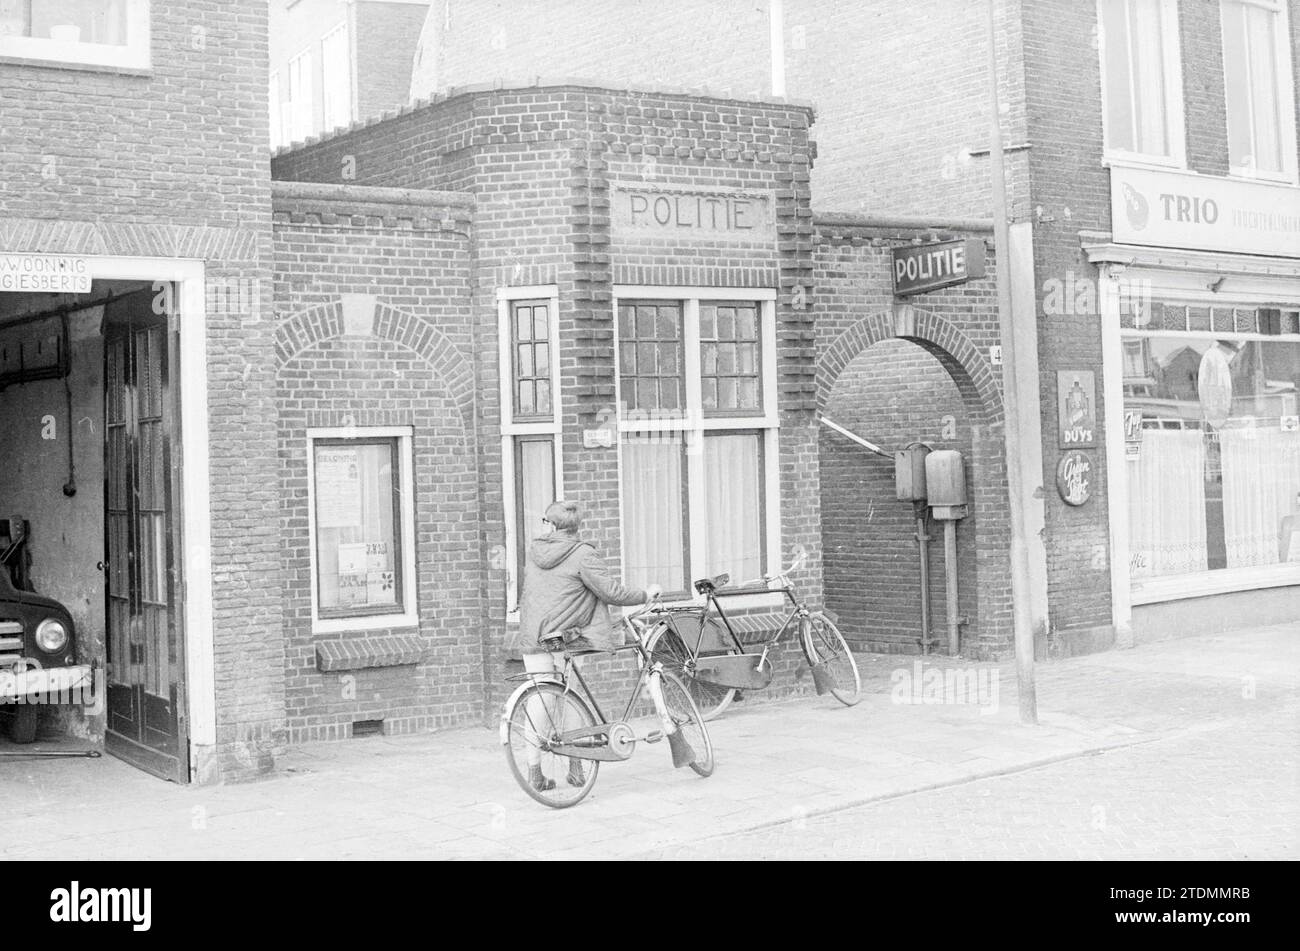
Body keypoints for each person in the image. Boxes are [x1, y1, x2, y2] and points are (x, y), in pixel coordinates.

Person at [509, 499, 660, 791]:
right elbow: (611, 592)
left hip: (533, 634)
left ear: (551, 525)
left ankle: (534, 770)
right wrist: (645, 594)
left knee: (540, 697)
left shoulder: (535, 552)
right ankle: (577, 768)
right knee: (569, 697)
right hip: (564, 637)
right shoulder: (582, 554)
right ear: (577, 526)